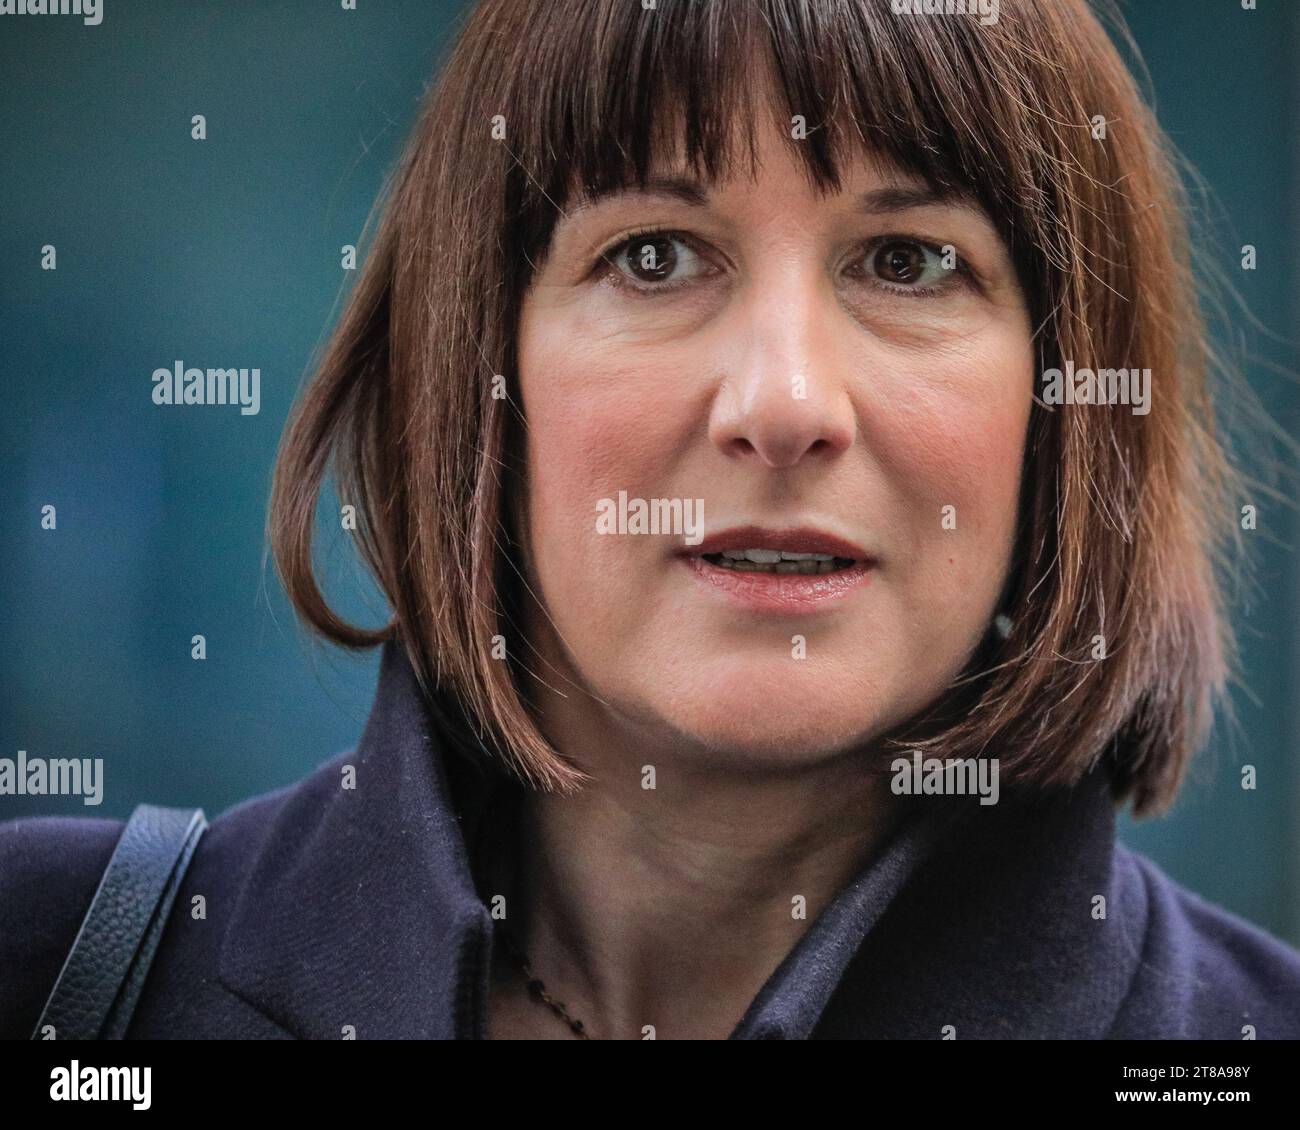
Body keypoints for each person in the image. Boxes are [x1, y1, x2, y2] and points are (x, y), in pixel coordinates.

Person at [3, 0, 1299, 1040]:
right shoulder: (53, 969)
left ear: (1067, 404)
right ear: (476, 378)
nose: (785, 401)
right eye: (655, 255)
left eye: (907, 262)